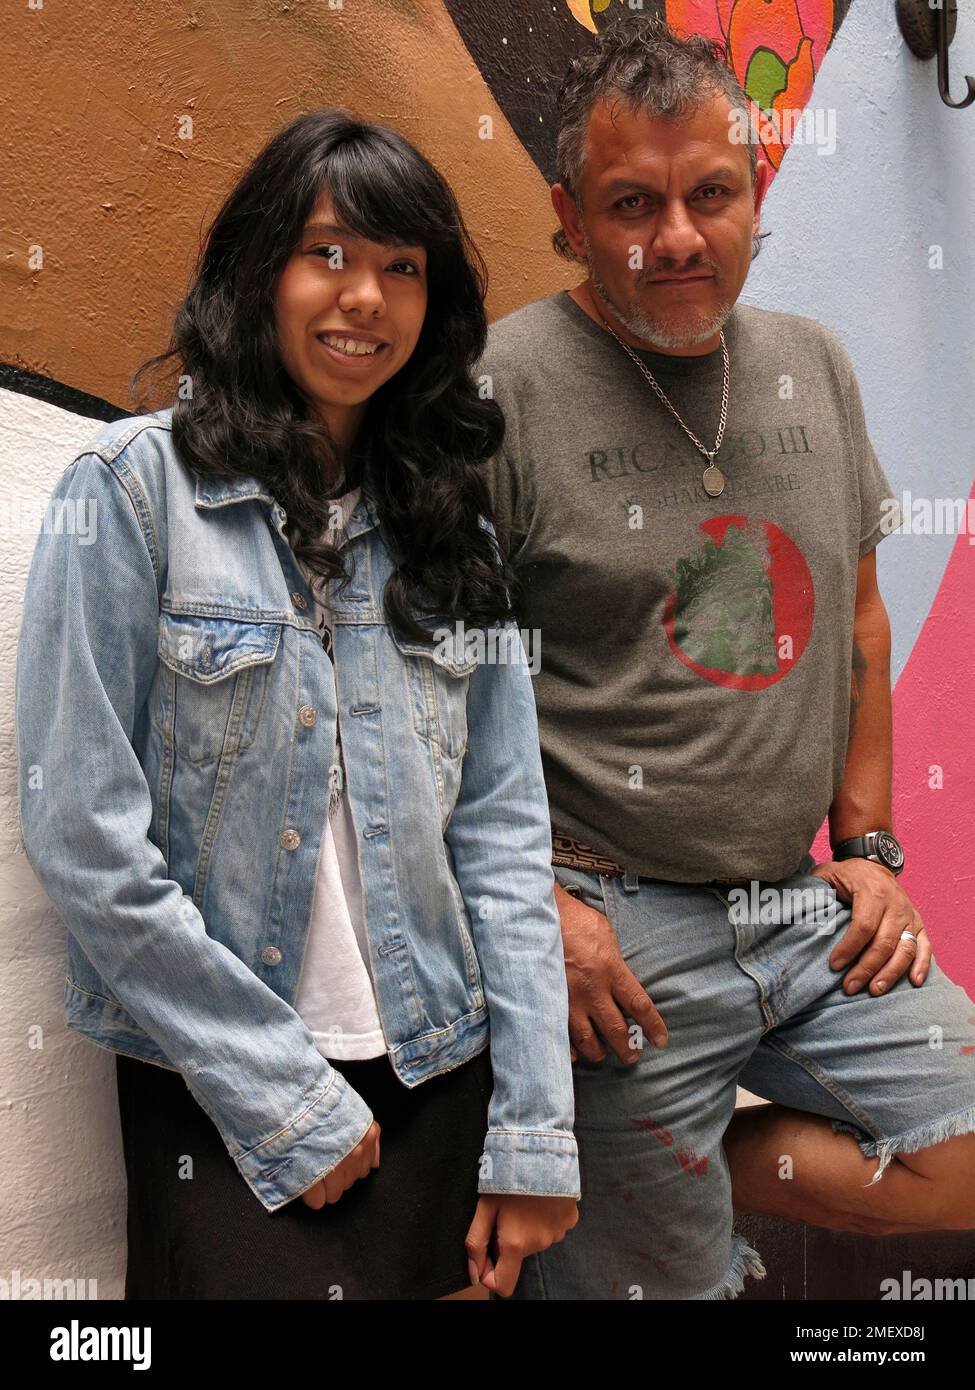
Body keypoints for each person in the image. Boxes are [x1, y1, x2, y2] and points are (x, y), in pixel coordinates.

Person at [14, 108, 579, 1302]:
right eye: (327, 253)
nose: (364, 296)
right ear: (260, 270)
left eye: (400, 266)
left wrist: (533, 1133)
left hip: (439, 1072)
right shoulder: (129, 495)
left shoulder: (451, 531)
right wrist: (279, 1093)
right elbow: (83, 832)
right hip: (218, 1083)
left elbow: (503, 837)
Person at [476, 15, 975, 1300]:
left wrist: (870, 851)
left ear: (755, 193)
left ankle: (715, 1166)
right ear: (569, 216)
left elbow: (859, 621)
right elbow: (426, 692)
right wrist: (535, 911)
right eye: (632, 203)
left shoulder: (812, 364)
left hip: (801, 909)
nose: (679, 235)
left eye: (711, 193)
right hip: (611, 936)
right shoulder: (504, 391)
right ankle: (662, 1193)